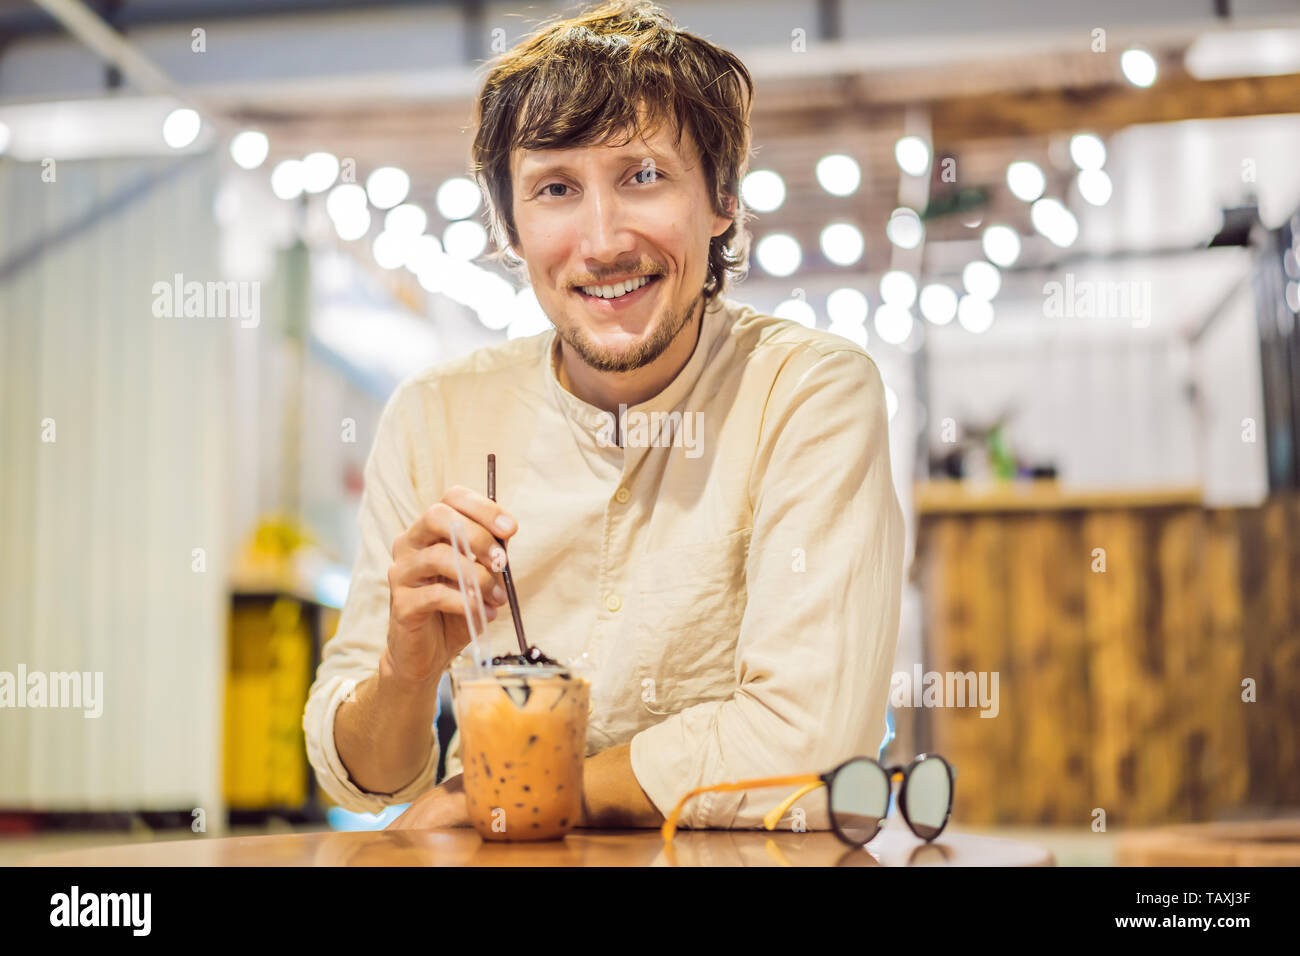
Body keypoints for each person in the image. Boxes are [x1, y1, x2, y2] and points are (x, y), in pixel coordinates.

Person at [302, 0, 905, 832]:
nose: (603, 240)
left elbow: (815, 740)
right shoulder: (435, 414)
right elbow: (364, 780)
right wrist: (404, 677)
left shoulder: (808, 395)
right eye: (555, 188)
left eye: (644, 176)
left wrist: (523, 791)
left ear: (721, 197)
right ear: (512, 228)